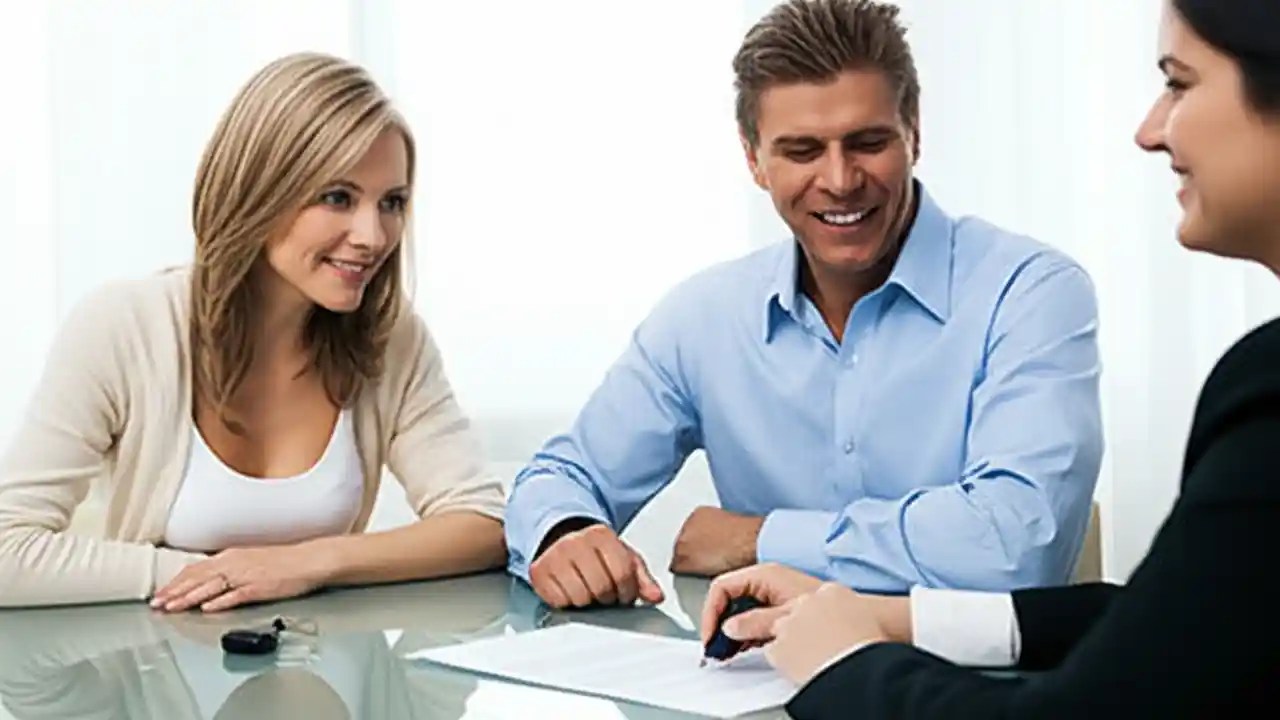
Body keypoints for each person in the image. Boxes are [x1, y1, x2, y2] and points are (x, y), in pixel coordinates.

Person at [700, 1, 1280, 716]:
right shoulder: (706, 307)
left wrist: (845, 666)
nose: (1150, 129)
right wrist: (887, 619)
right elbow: (1194, 621)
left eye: (1180, 83)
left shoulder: (1268, 388)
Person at [504, 0, 1104, 610]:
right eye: (801, 151)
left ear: (914, 134)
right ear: (753, 159)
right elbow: (560, 478)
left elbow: (1018, 543)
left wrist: (759, 539)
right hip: (756, 687)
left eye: (867, 142)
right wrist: (565, 531)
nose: (840, 180)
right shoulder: (704, 319)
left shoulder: (1028, 294)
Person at [0, 52, 507, 611]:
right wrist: (222, 573)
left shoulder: (392, 340)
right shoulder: (126, 327)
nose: (373, 235)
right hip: (158, 681)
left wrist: (309, 562)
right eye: (337, 197)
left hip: (337, 683)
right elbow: (8, 549)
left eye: (392, 203)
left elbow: (482, 524)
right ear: (259, 191)